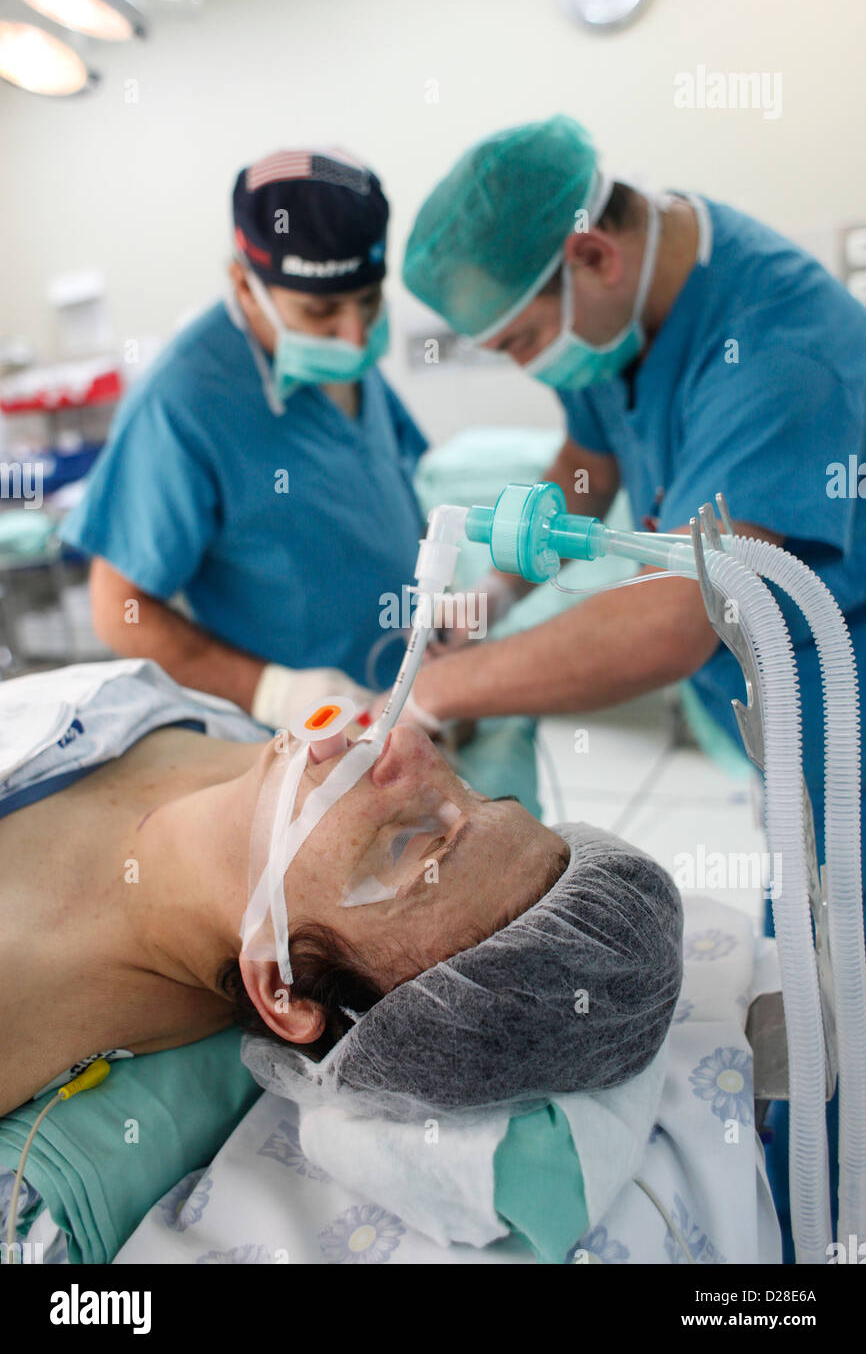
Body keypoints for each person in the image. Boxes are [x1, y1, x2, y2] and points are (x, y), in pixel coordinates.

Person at [400, 113, 866, 1256]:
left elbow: (673, 618)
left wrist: (440, 697)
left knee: (830, 1018)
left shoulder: (781, 349)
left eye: (516, 343)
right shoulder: (638, 300)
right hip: (782, 744)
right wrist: (491, 596)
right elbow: (587, 457)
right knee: (797, 1001)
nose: (519, 366)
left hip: (843, 727)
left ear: (590, 258)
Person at [0, 659, 681, 1121]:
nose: (411, 748)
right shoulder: (256, 767)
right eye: (469, 791)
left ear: (282, 990)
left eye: (410, 842)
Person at [59, 148, 428, 731]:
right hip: (309, 734)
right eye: (321, 310)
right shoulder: (183, 400)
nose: (355, 336)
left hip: (412, 691)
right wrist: (275, 692)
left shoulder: (343, 353)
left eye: (369, 300)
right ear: (244, 284)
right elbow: (119, 610)